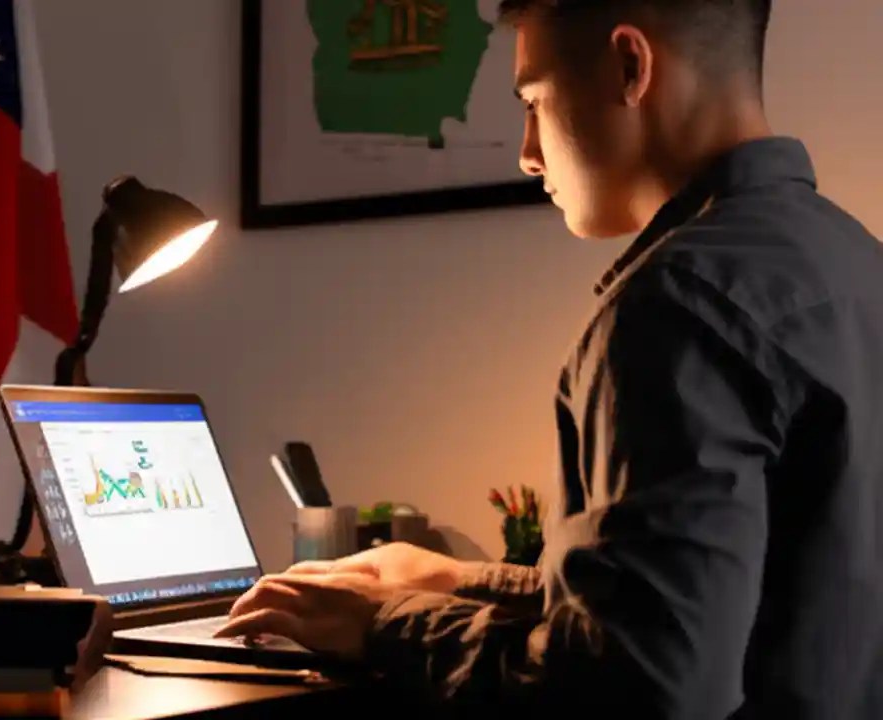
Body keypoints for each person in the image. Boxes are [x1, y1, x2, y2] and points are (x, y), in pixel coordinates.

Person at [215, 1, 883, 717]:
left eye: (533, 101)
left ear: (629, 66)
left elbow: (636, 685)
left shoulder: (675, 309)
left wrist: (385, 624)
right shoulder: (854, 260)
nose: (527, 153)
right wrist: (452, 581)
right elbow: (716, 597)